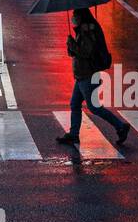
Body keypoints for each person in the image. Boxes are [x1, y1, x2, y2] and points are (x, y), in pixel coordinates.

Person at [56, 8, 131, 146]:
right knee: (75, 104)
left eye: (75, 15)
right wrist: (71, 45)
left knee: (94, 107)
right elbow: (76, 53)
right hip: (81, 75)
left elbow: (86, 52)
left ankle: (120, 126)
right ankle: (73, 135)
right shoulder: (81, 30)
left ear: (81, 16)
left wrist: (72, 44)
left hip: (88, 75)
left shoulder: (88, 31)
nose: (73, 18)